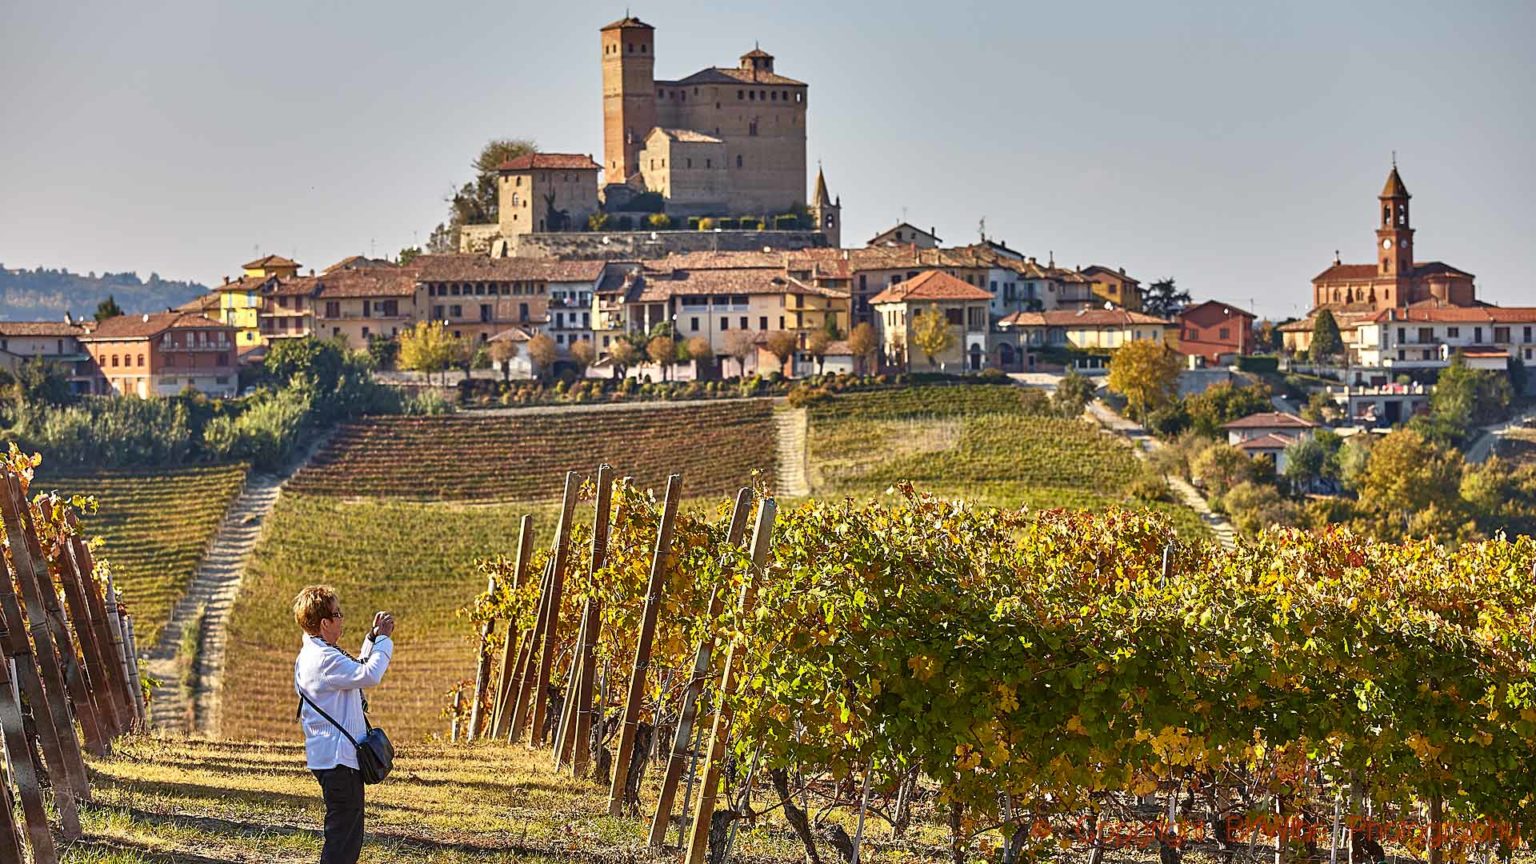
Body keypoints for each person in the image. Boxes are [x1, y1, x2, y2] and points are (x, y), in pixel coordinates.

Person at [293, 585, 395, 864]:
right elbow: (369, 675)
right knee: (343, 841)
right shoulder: (324, 658)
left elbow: (354, 671)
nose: (342, 619)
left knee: (344, 835)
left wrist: (371, 639)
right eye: (337, 614)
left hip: (329, 758)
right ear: (324, 623)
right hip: (339, 761)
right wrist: (385, 641)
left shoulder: (313, 655)